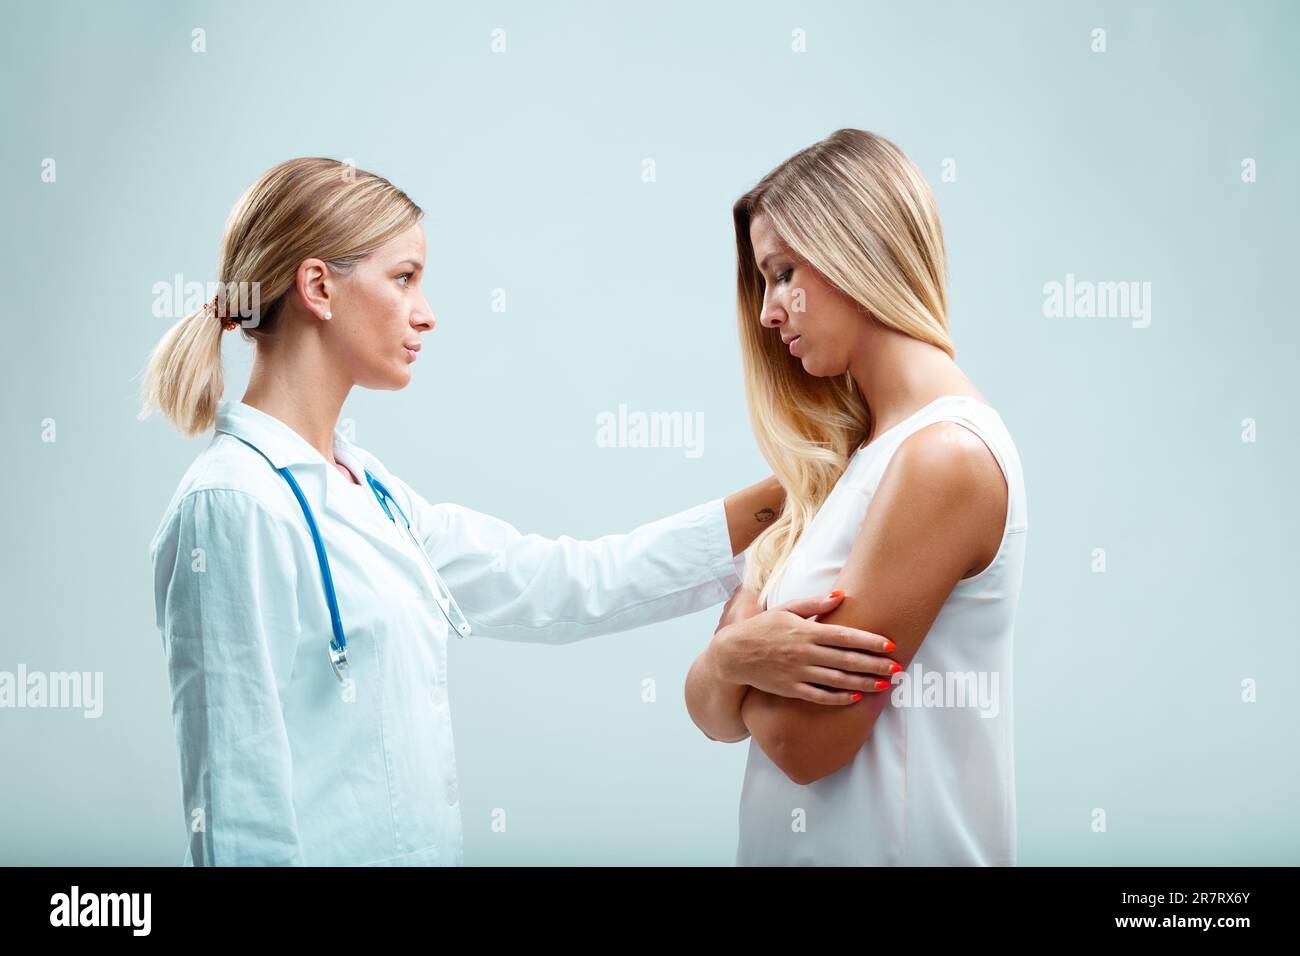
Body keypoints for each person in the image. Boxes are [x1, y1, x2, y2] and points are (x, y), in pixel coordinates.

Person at [141, 157, 894, 866]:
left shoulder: (369, 493)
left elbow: (565, 581)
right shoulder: (233, 506)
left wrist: (797, 486)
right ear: (318, 286)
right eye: (404, 279)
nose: (426, 314)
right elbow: (238, 818)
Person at [685, 130, 1028, 865]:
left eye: (782, 273)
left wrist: (732, 656)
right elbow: (713, 715)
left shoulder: (946, 458)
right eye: (762, 282)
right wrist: (732, 663)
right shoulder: (853, 466)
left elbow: (806, 744)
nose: (770, 311)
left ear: (858, 247)